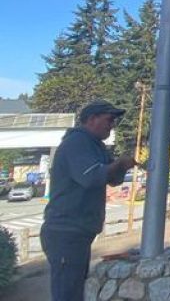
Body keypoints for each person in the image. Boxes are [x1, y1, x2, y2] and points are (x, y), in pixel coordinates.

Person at [41, 100, 137, 300]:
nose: (112, 125)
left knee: (75, 289)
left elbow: (112, 179)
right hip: (65, 231)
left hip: (78, 231)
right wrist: (119, 163)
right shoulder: (77, 143)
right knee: (68, 293)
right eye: (109, 120)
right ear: (92, 119)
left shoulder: (96, 146)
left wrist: (122, 166)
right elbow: (91, 177)